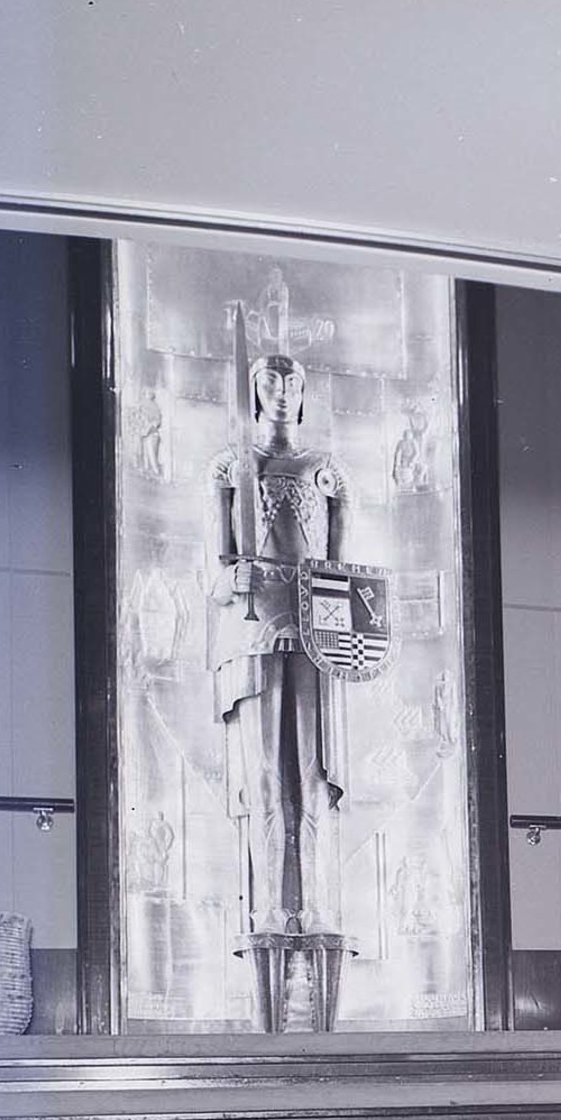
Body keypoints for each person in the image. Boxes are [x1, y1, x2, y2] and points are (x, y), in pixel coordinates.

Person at [206, 354, 350, 937]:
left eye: (293, 383)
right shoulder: (230, 467)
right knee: (263, 770)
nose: (282, 393)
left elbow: (345, 573)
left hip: (316, 628)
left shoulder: (328, 470)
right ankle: (268, 909)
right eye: (270, 381)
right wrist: (229, 579)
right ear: (255, 390)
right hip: (255, 624)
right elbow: (217, 570)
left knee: (312, 771)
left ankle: (317, 907)